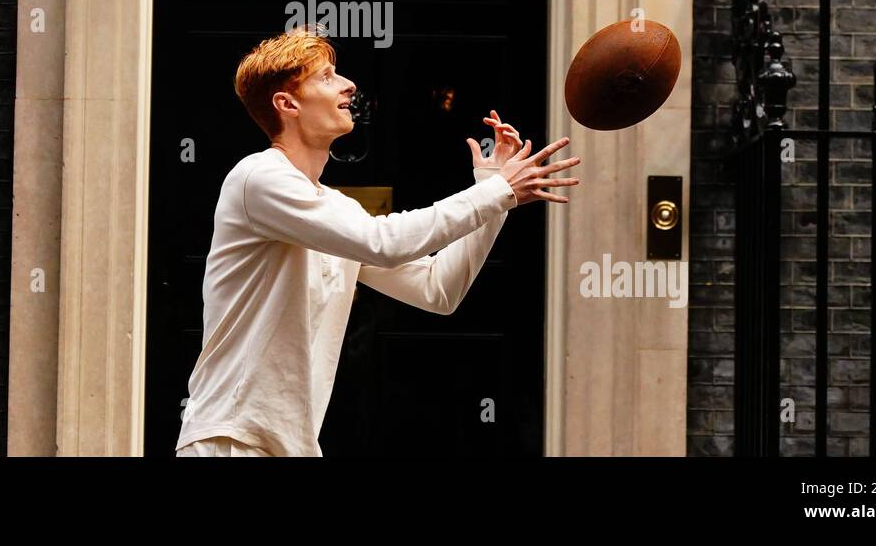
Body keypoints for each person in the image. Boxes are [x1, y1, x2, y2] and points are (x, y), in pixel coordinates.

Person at [174, 28, 581, 456]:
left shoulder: (335, 208)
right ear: (287, 104)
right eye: (327, 76)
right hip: (230, 440)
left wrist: (495, 192)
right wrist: (495, 193)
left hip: (292, 447)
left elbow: (438, 289)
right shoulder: (259, 178)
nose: (349, 84)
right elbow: (383, 242)